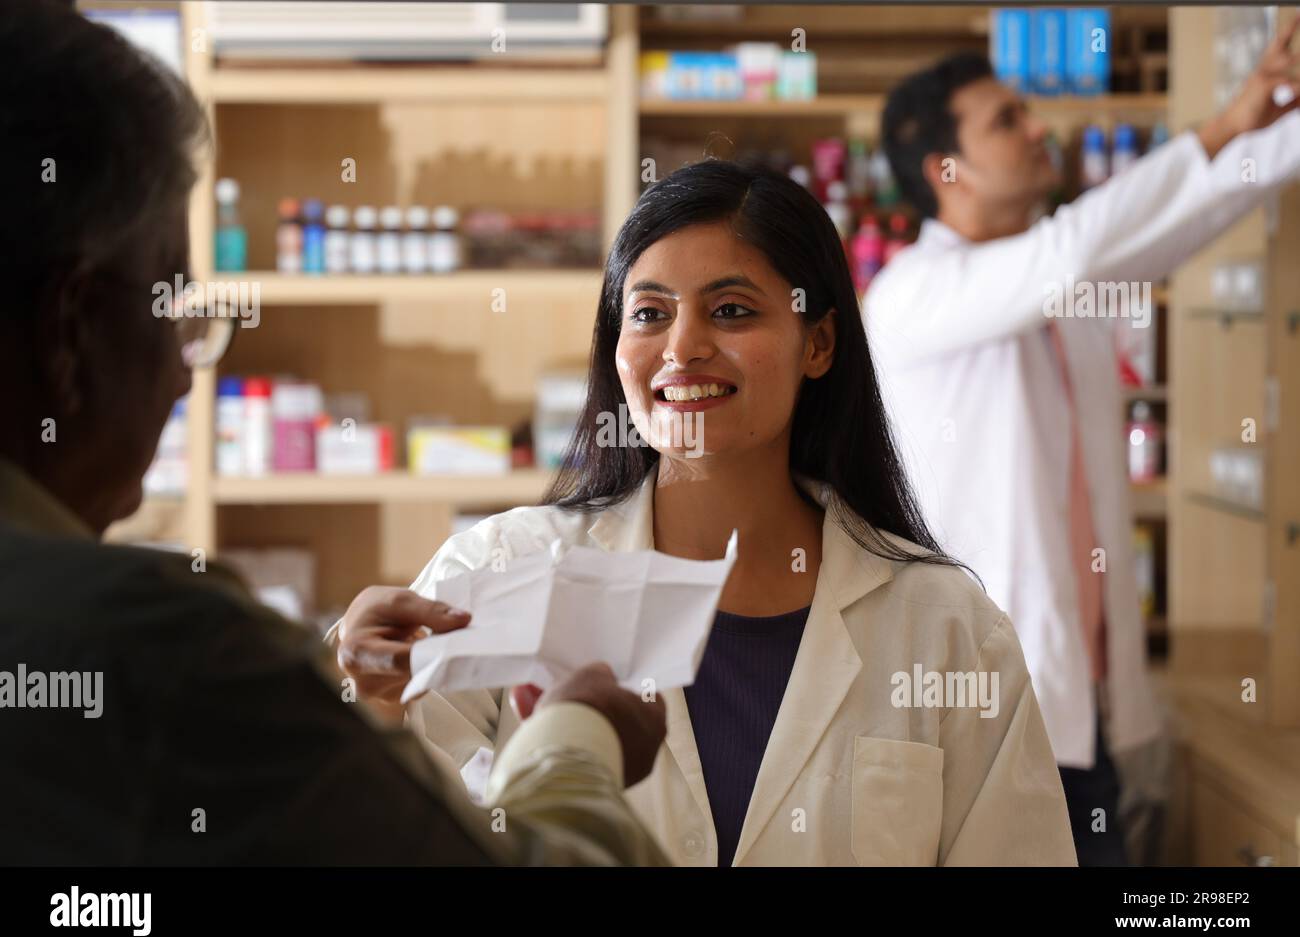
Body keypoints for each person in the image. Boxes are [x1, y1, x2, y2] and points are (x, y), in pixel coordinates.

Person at [0, 0, 668, 867]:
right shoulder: (158, 646)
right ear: (69, 329)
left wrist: (320, 717)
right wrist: (581, 738)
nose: (180, 372)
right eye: (175, 310)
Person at [338, 159, 1078, 866]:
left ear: (817, 342)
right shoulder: (500, 571)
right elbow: (368, 835)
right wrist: (365, 703)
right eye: (650, 314)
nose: (682, 348)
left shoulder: (948, 627)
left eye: (730, 310)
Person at [866, 28, 1300, 865]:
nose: (1040, 132)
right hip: (977, 728)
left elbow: (1199, 211)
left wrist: (1265, 133)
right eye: (1006, 121)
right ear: (942, 170)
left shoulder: (1057, 282)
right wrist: (1218, 125)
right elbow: (1071, 253)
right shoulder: (913, 296)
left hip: (1079, 709)